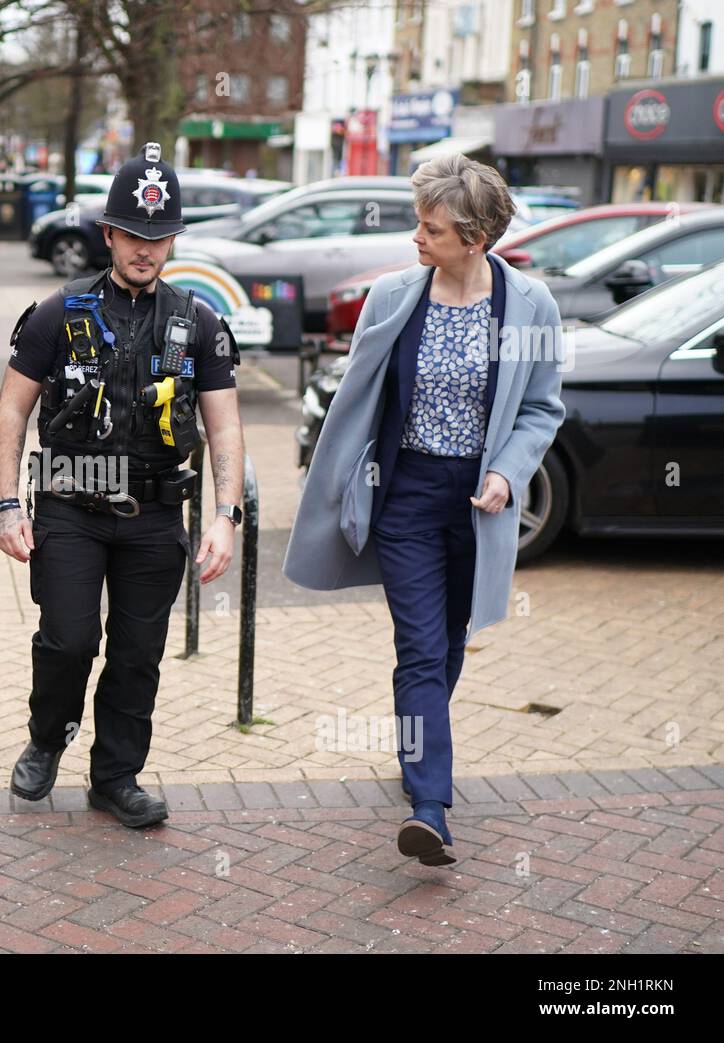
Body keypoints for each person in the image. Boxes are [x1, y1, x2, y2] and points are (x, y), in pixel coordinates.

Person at [283, 154, 565, 867]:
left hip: (477, 503)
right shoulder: (394, 296)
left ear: (474, 238)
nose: (417, 237)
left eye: (433, 229)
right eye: (418, 223)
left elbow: (541, 408)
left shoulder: (530, 305)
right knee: (417, 645)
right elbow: (361, 397)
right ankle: (429, 806)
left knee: (447, 642)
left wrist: (507, 472)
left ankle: (417, 749)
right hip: (404, 494)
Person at [0, 141, 246, 829]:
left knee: (139, 654)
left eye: (159, 237)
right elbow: (12, 410)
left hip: (157, 517)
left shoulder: (199, 324)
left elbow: (224, 429)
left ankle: (116, 776)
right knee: (69, 640)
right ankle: (48, 737)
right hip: (71, 508)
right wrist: (8, 504)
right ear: (108, 233)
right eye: (133, 234)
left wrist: (227, 514)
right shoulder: (56, 313)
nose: (145, 249)